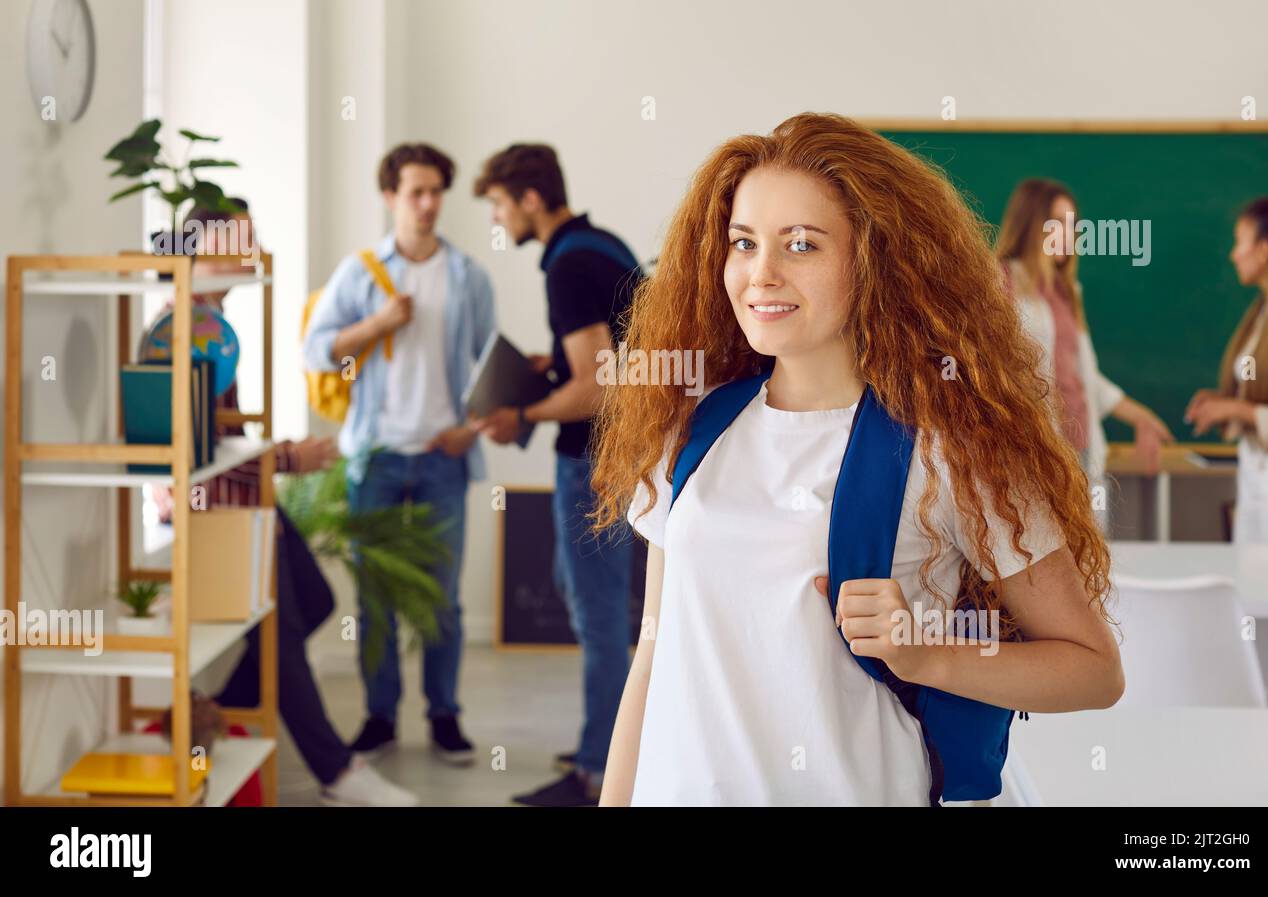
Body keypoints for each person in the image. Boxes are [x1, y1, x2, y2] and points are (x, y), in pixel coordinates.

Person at [589, 114, 1124, 806]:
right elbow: (654, 657)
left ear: (875, 259)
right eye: (743, 243)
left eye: (802, 244)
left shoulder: (952, 450)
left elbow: (1094, 670)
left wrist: (926, 651)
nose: (761, 273)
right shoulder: (689, 430)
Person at [153, 201, 416, 806]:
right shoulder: (186, 328)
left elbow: (217, 434)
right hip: (220, 512)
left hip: (249, 499)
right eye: (243, 241)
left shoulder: (212, 323)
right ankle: (337, 773)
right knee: (284, 633)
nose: (254, 253)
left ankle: (211, 714)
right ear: (203, 248)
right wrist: (288, 458)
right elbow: (194, 447)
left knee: (315, 601)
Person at [302, 144, 496, 763]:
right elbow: (316, 351)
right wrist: (377, 325)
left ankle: (444, 716)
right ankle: (380, 716)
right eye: (415, 191)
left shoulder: (468, 277)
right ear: (389, 196)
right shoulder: (361, 273)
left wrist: (472, 429)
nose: (428, 203)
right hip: (377, 457)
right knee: (376, 599)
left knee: (442, 597)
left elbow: (493, 370)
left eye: (436, 190)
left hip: (444, 455)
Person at [471, 143, 645, 806]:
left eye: (498, 203)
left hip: (592, 459)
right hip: (618, 454)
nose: (497, 217)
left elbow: (597, 387)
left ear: (531, 199)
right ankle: (602, 742)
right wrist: (554, 367)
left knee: (597, 616)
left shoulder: (566, 266)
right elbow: (611, 357)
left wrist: (522, 412)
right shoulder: (599, 244)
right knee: (585, 599)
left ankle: (600, 772)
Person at [994, 178, 1172, 525]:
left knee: (1091, 559)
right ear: (1030, 225)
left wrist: (1139, 416)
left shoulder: (1066, 290)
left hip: (1082, 447)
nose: (1069, 234)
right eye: (1056, 224)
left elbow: (1080, 377)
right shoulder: (999, 283)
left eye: (1073, 225)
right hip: (1032, 453)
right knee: (1042, 559)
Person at [1186, 196, 1268, 543]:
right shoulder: (1264, 317)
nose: (1234, 254)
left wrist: (1237, 409)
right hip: (1257, 475)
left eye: (1240, 242)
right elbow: (1265, 389)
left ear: (1265, 250)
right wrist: (1224, 401)